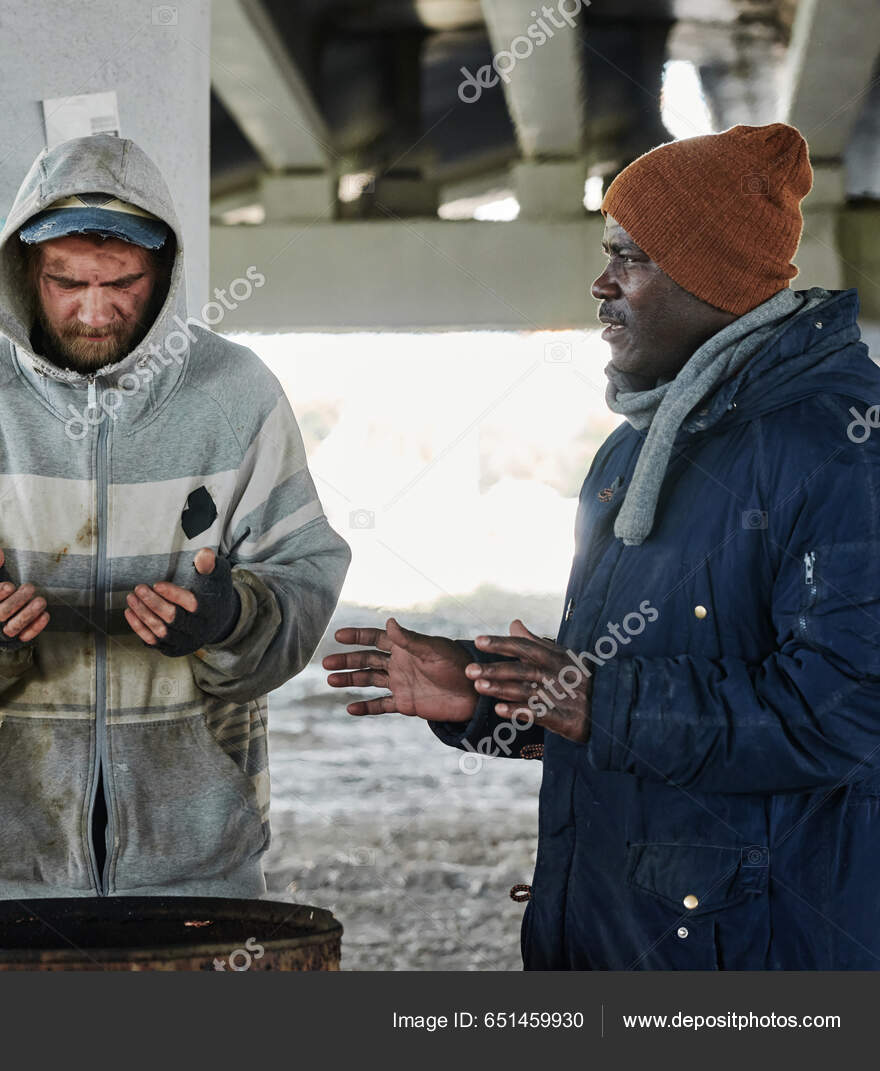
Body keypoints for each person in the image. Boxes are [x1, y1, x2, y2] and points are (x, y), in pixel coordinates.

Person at [327, 123, 880, 969]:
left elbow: (844, 713)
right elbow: (607, 697)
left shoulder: (840, 447)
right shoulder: (635, 452)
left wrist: (596, 701)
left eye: (633, 258)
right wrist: (487, 700)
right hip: (612, 941)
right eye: (607, 252)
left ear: (715, 278)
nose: (601, 282)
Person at [0, 133, 349, 900]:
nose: (94, 310)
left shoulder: (238, 394)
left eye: (121, 281)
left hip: (199, 859)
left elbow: (305, 576)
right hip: (8, 853)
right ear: (27, 271)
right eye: (67, 281)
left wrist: (230, 619)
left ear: (164, 272)